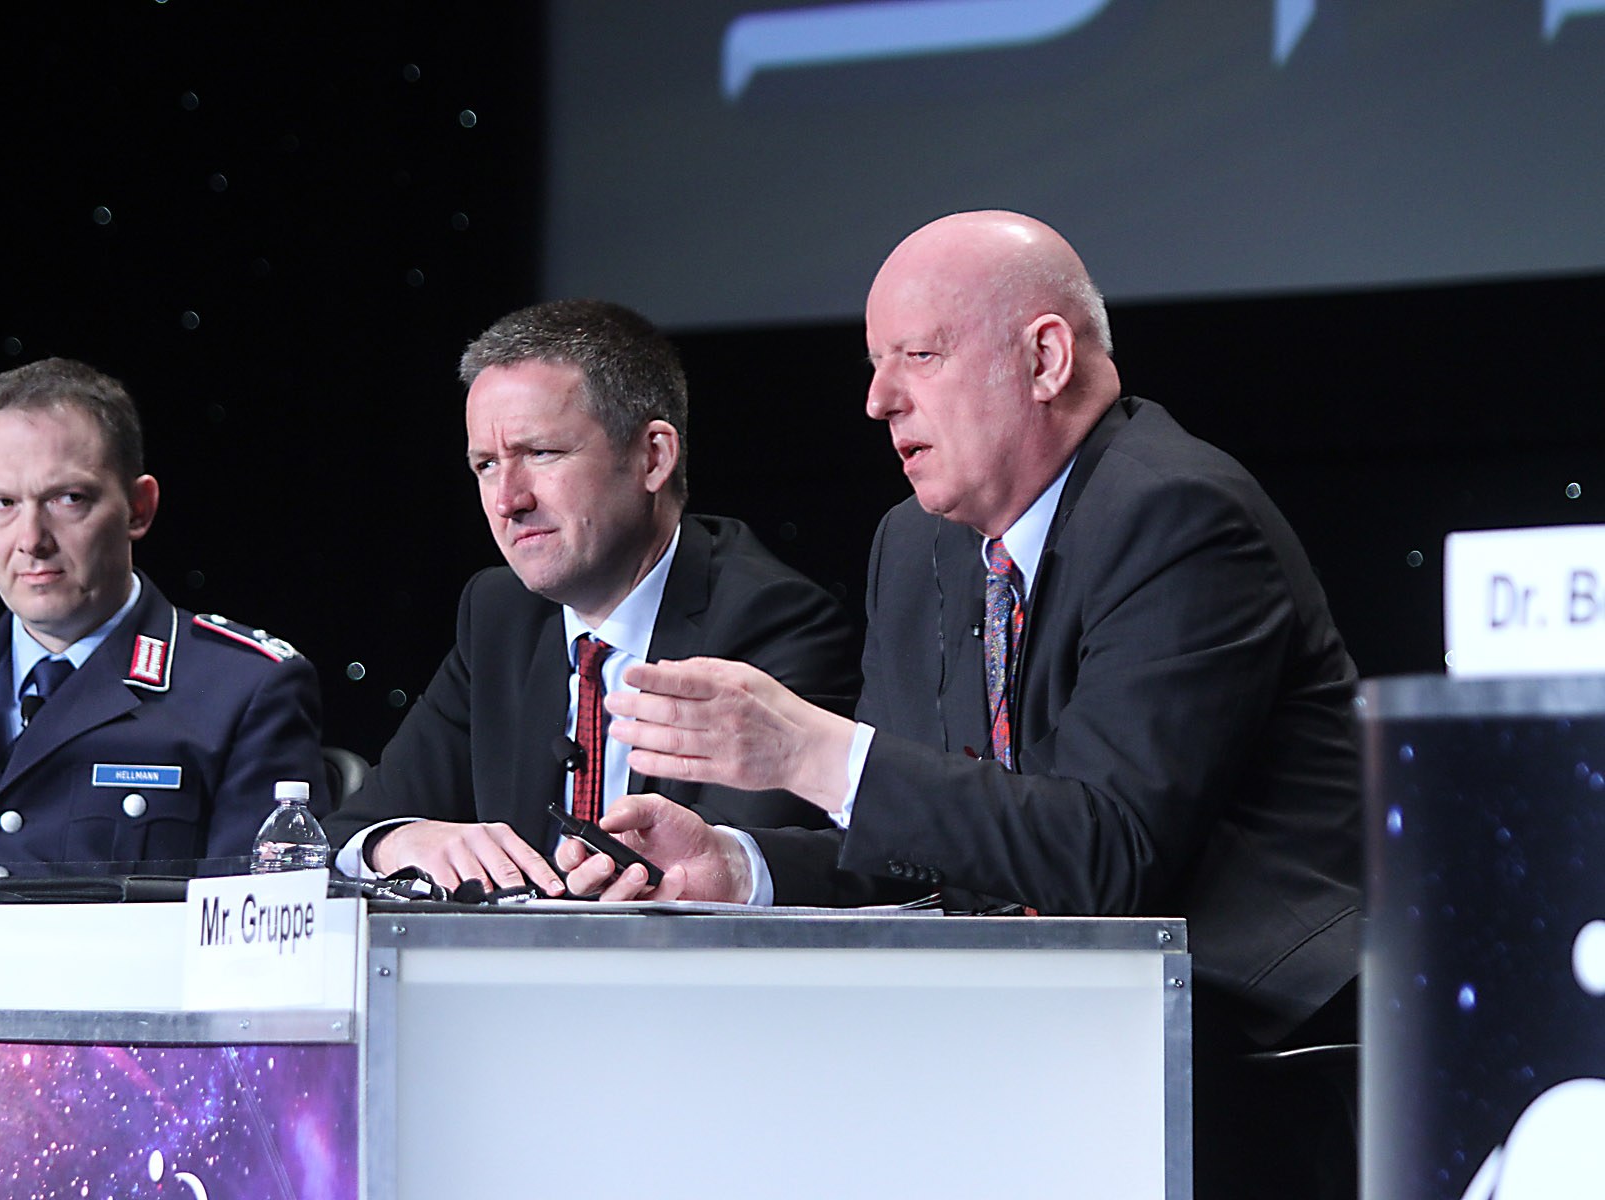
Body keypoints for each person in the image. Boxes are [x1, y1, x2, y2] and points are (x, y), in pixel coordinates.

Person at [569, 214, 1360, 1195]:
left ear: (1045, 357)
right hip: (1038, 1035)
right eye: (874, 363)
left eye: (920, 356)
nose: (876, 399)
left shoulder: (1179, 515)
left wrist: (812, 752)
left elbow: (1104, 854)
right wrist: (738, 866)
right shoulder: (919, 545)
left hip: (1244, 1048)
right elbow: (934, 849)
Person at [323, 299, 859, 896]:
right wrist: (403, 840)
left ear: (653, 457)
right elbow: (348, 830)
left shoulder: (771, 620)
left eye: (541, 454)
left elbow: (751, 876)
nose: (507, 500)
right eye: (486, 465)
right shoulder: (499, 614)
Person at [0, 357, 329, 879]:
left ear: (138, 508)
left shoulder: (243, 690)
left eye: (68, 499)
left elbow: (259, 943)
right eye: (3, 503)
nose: (32, 539)